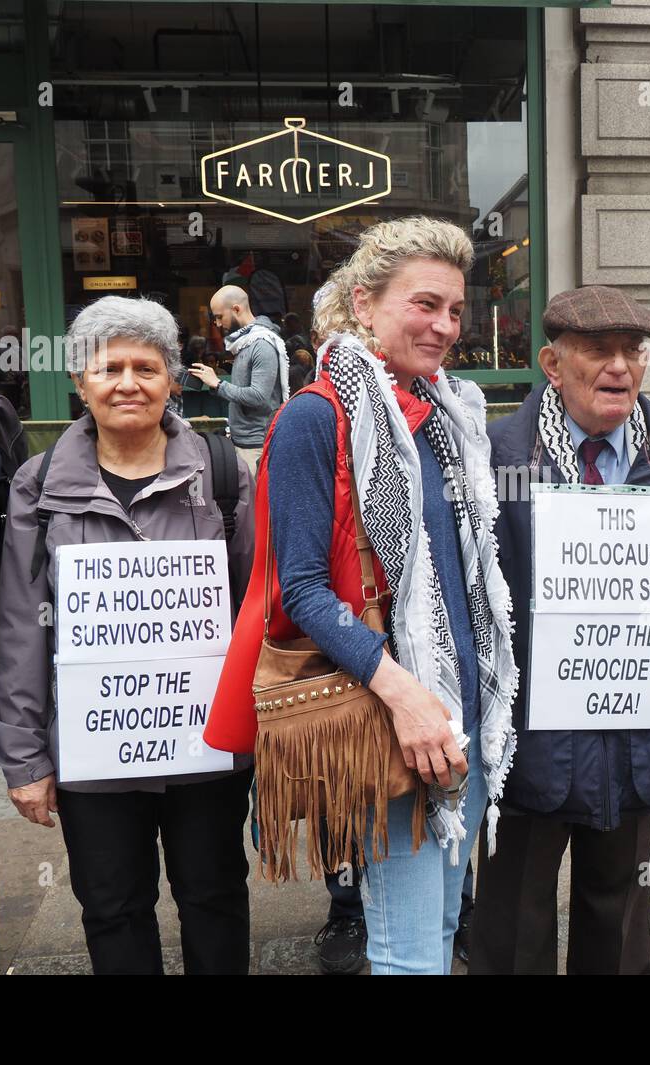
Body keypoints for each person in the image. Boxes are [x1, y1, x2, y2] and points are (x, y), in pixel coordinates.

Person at [205, 216, 517, 976]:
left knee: (442, 925)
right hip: (390, 714)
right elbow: (301, 589)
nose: (445, 324)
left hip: (466, 708)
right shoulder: (315, 415)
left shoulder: (448, 414)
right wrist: (405, 694)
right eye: (424, 304)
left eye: (453, 309)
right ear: (366, 304)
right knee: (408, 951)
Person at [470, 285, 650, 975]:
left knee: (617, 915)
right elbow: (469, 601)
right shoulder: (496, 454)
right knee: (512, 926)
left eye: (633, 350)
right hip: (528, 744)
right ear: (552, 364)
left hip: (636, 735)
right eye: (598, 351)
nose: (619, 367)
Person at [0, 296, 255, 975]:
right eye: (109, 367)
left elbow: (259, 611)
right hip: (93, 756)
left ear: (173, 378)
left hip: (206, 744)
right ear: (80, 382)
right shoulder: (38, 483)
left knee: (216, 896)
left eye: (146, 365)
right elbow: (21, 624)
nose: (128, 382)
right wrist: (25, 757)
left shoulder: (224, 475)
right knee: (112, 908)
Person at [188, 285, 288, 468]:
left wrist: (218, 385)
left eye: (219, 316)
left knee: (254, 497)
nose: (217, 324)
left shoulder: (261, 344)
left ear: (236, 309)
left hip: (256, 445)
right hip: (243, 441)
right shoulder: (245, 342)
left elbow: (258, 396)